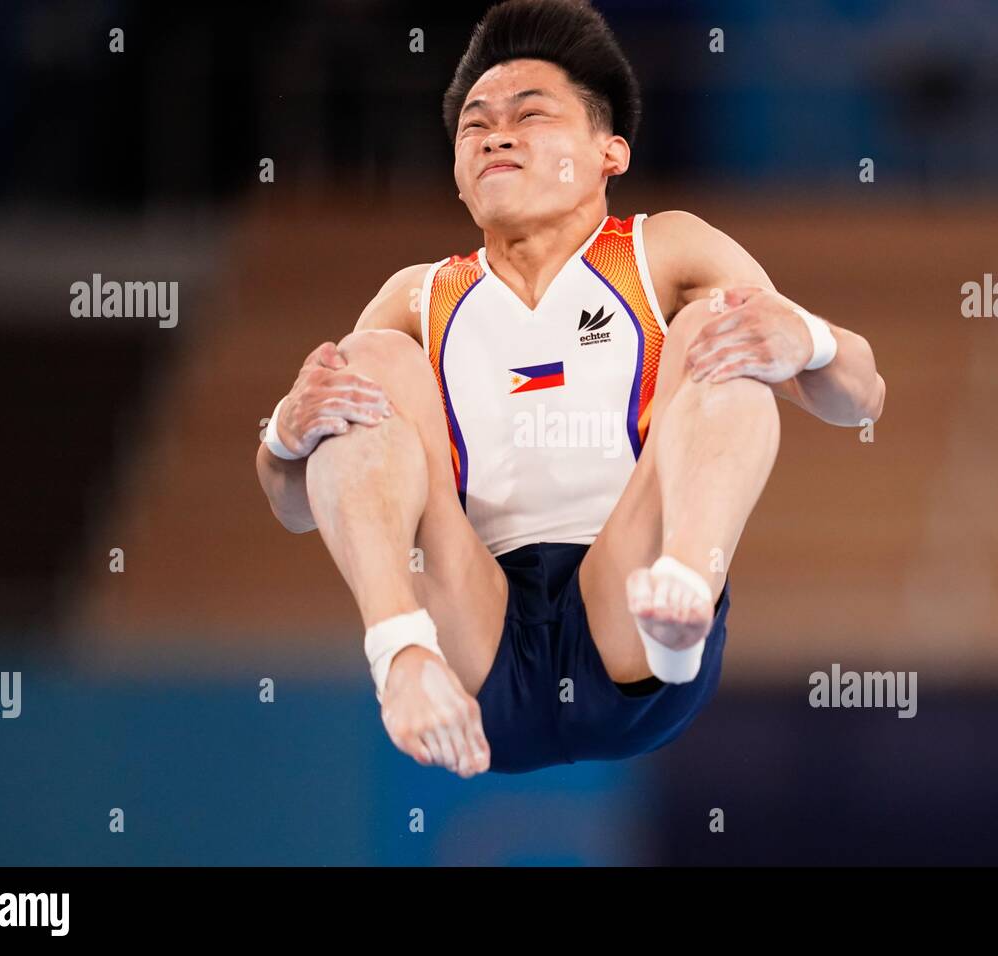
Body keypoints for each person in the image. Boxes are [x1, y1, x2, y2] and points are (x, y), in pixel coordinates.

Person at [255, 0, 885, 776]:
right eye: (474, 125)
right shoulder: (417, 297)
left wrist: (807, 338)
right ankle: (399, 652)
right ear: (457, 173)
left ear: (608, 151)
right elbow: (292, 504)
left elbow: (859, 395)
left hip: (631, 600)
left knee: (715, 328)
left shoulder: (663, 250)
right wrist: (287, 429)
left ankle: (686, 582)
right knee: (371, 360)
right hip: (474, 638)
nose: (497, 134)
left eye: (530, 113)